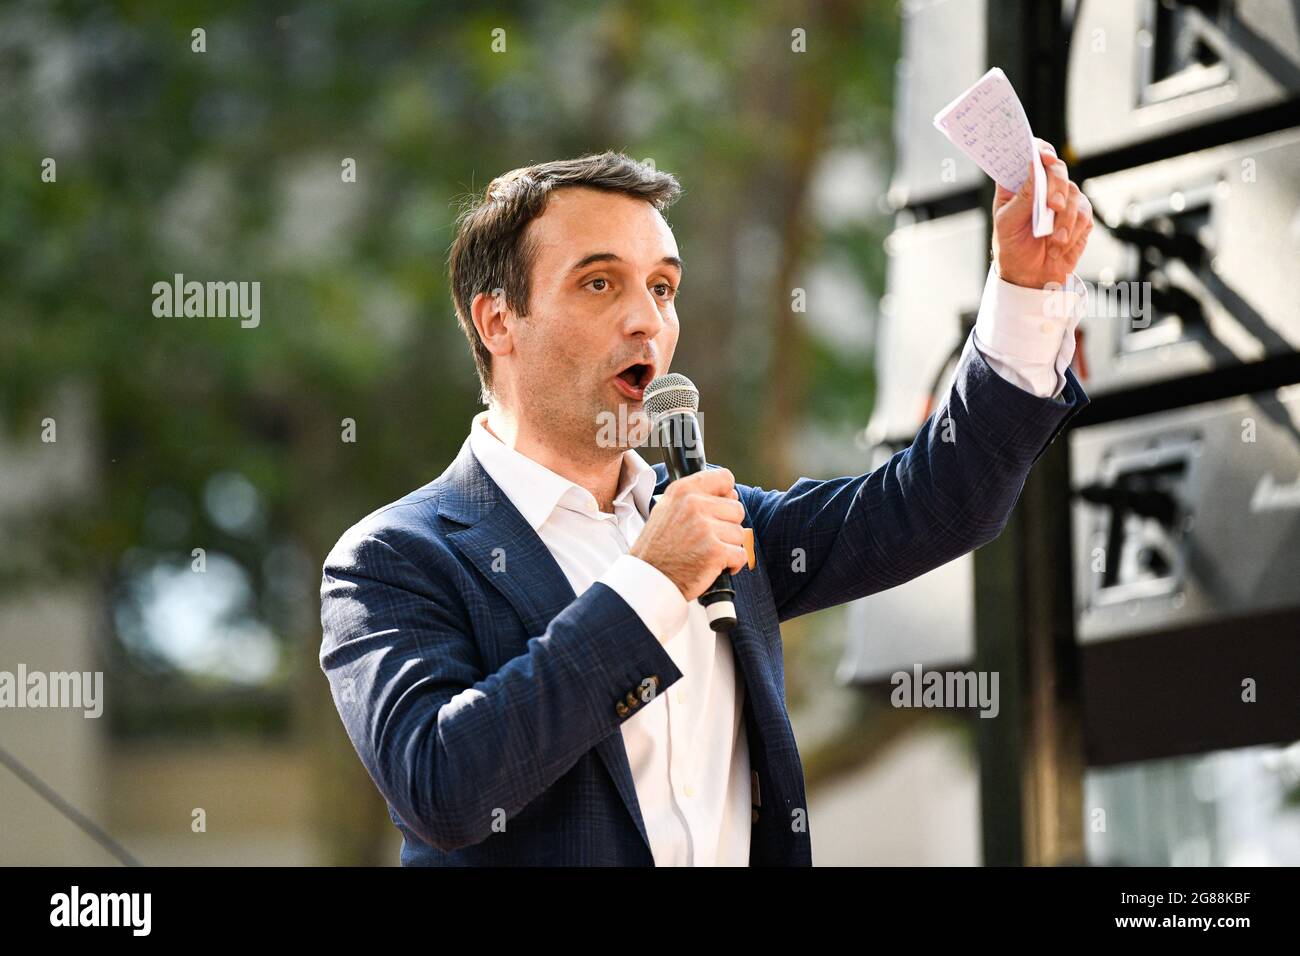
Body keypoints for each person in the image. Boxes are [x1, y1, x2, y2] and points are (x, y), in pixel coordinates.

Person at [319, 146, 1092, 865]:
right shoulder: (393, 559)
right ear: (498, 321)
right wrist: (652, 583)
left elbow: (936, 505)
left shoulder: (723, 521)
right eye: (599, 283)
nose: (647, 320)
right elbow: (443, 785)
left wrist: (1025, 290)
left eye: (662, 288)